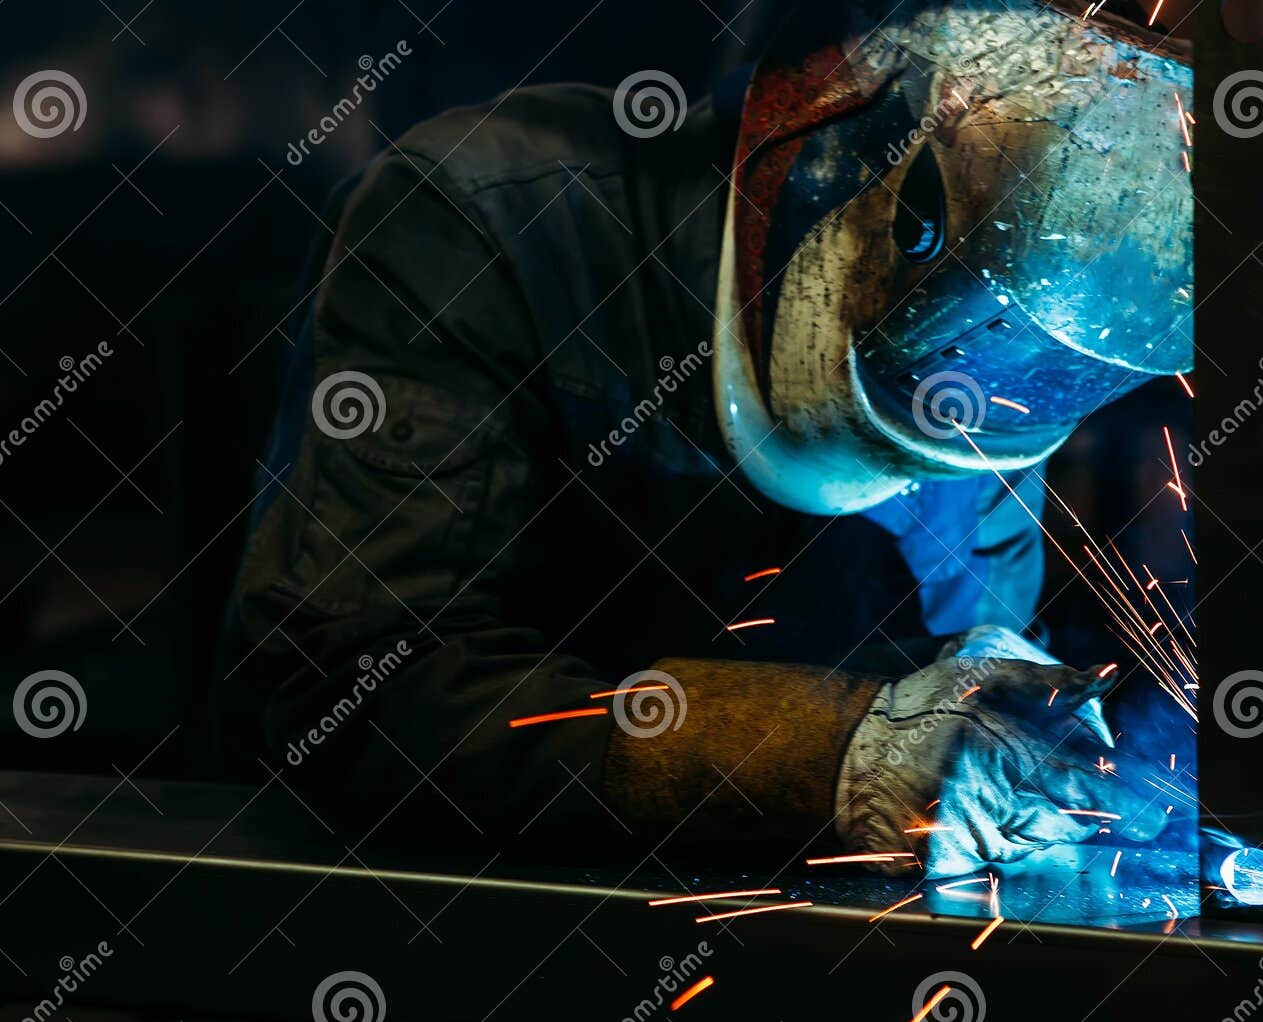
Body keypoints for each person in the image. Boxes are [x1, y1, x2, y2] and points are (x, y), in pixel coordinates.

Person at [225, 0, 1194, 876]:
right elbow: (361, 695)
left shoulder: (1022, 342)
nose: (984, 388)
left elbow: (952, 700)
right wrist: (834, 753)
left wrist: (1036, 750)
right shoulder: (495, 208)